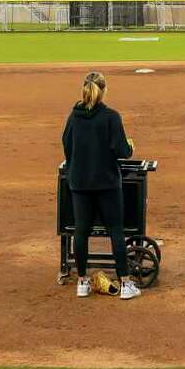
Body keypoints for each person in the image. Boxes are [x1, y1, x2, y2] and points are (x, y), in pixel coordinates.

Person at [63, 70, 139, 300]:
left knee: (81, 231)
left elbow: (67, 144)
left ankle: (82, 282)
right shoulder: (111, 117)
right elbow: (122, 150)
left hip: (80, 183)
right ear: (103, 91)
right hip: (107, 183)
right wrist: (130, 147)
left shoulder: (74, 117)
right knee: (115, 230)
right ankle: (125, 283)